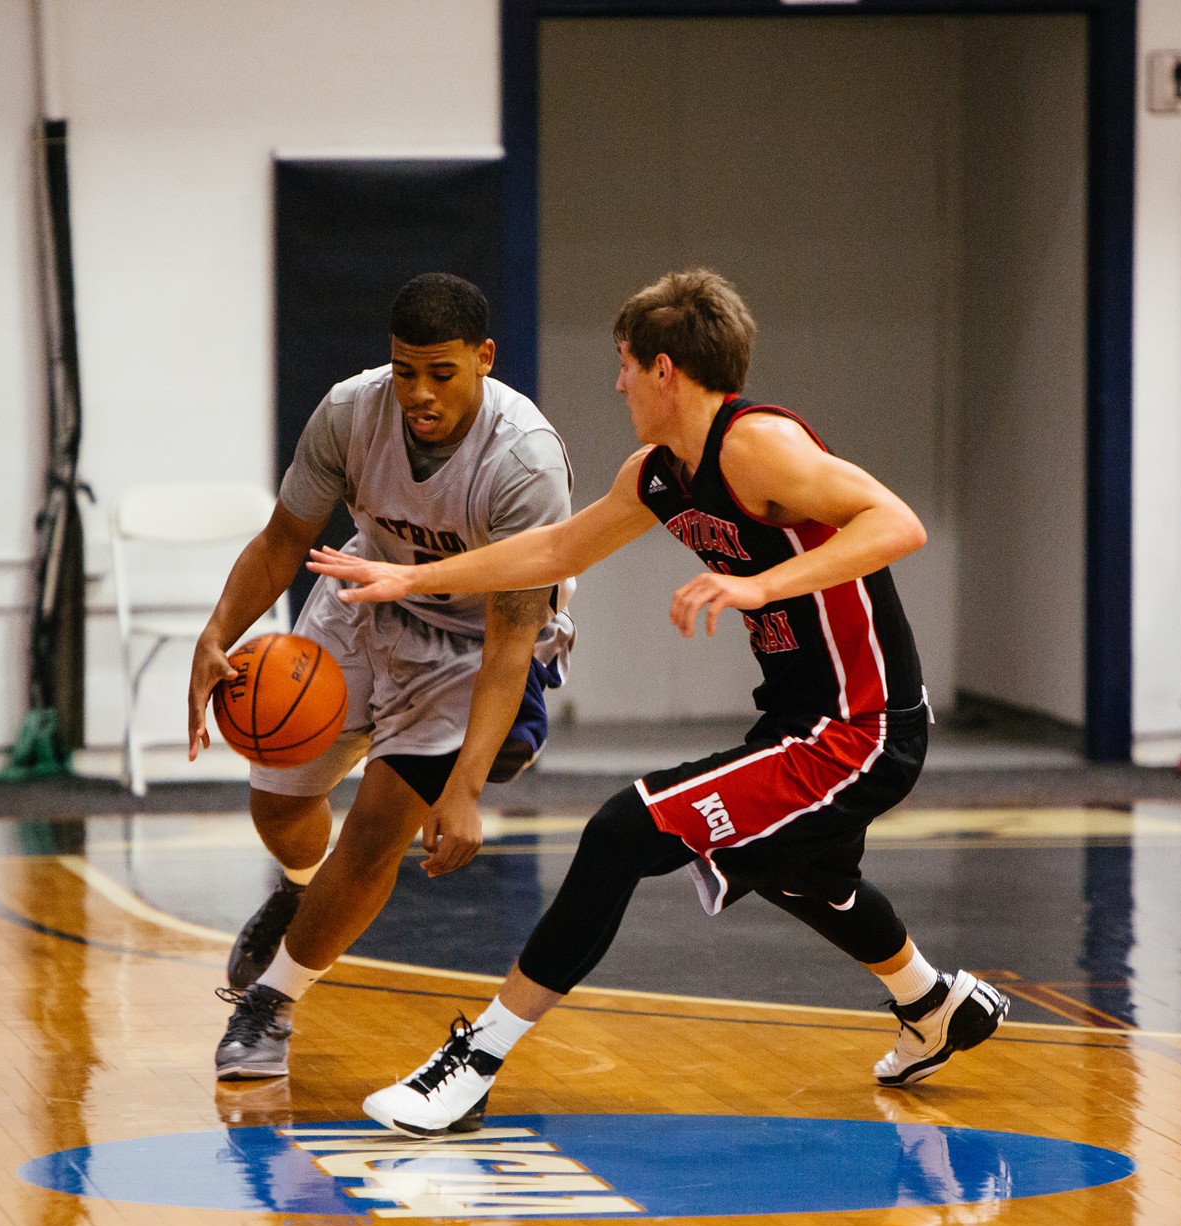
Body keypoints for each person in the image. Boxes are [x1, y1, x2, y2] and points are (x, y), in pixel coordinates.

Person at [307, 269, 1009, 1137]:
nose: (618, 383)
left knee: (623, 830)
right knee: (801, 873)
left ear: (666, 370)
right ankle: (934, 1005)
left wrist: (764, 587)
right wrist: (414, 575)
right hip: (799, 719)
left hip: (860, 731)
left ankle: (475, 1061)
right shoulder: (658, 476)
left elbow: (896, 522)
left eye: (626, 365)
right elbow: (554, 549)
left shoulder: (759, 448)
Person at [188, 273, 575, 1079]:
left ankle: (272, 1005)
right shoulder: (348, 412)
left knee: (371, 832)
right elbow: (283, 539)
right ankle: (300, 891)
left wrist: (464, 788)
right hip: (366, 590)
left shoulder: (523, 460)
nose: (420, 394)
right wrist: (217, 633)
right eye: (405, 372)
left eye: (442, 373)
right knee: (279, 801)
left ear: (484, 359)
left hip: (474, 642)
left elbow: (510, 637)